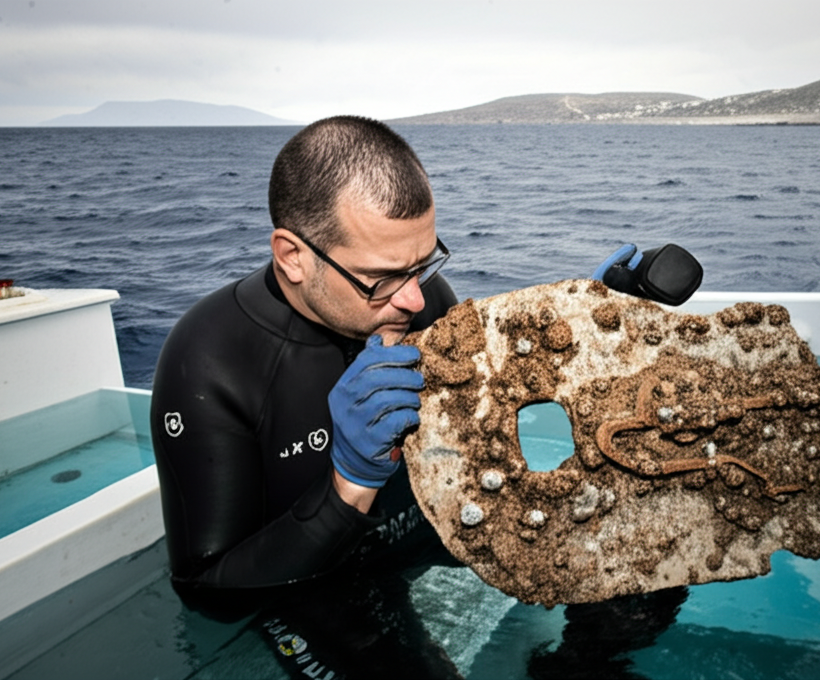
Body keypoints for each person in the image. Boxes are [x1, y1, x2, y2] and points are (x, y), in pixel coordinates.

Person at [151, 115, 687, 677]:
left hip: (435, 526)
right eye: (381, 279)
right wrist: (348, 481)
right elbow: (209, 594)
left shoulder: (420, 293)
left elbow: (489, 386)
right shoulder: (210, 361)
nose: (414, 298)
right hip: (325, 579)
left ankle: (571, 666)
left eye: (423, 263)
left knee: (648, 562)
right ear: (292, 256)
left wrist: (580, 322)